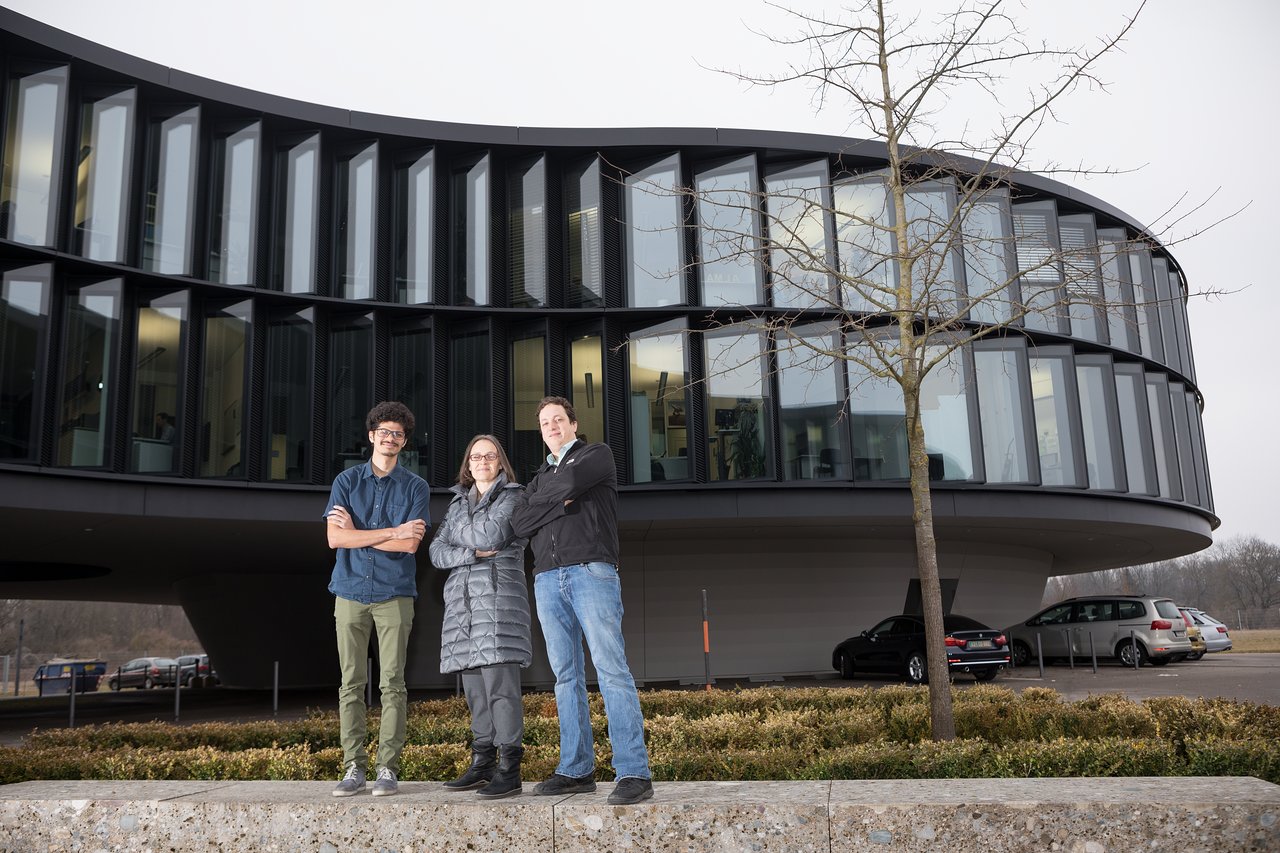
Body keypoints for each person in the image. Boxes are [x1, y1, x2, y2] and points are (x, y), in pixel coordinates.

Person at [511, 396, 653, 805]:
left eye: (558, 419)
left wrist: (546, 503)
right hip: (546, 579)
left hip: (591, 571)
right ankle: (576, 770)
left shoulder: (596, 455)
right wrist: (553, 501)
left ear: (573, 423)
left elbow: (572, 485)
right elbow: (518, 523)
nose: (551, 426)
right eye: (544, 422)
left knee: (611, 670)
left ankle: (633, 772)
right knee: (565, 677)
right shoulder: (540, 476)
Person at [324, 401, 430, 798]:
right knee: (350, 683)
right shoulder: (346, 482)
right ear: (371, 436)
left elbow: (410, 546)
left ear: (404, 442)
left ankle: (388, 768)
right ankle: (353, 766)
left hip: (394, 595)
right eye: (383, 432)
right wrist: (392, 531)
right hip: (349, 592)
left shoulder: (416, 487)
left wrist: (364, 531)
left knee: (393, 684)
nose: (390, 439)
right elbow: (336, 539)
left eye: (397, 434)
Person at [429, 435, 531, 799]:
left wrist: (459, 544)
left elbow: (493, 532)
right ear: (468, 465)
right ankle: (483, 762)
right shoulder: (458, 503)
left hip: (498, 602)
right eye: (476, 456)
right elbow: (436, 552)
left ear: (500, 462)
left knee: (500, 689)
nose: (482, 461)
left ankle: (510, 768)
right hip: (462, 608)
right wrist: (473, 553)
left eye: (489, 456)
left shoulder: (515, 497)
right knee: (475, 690)